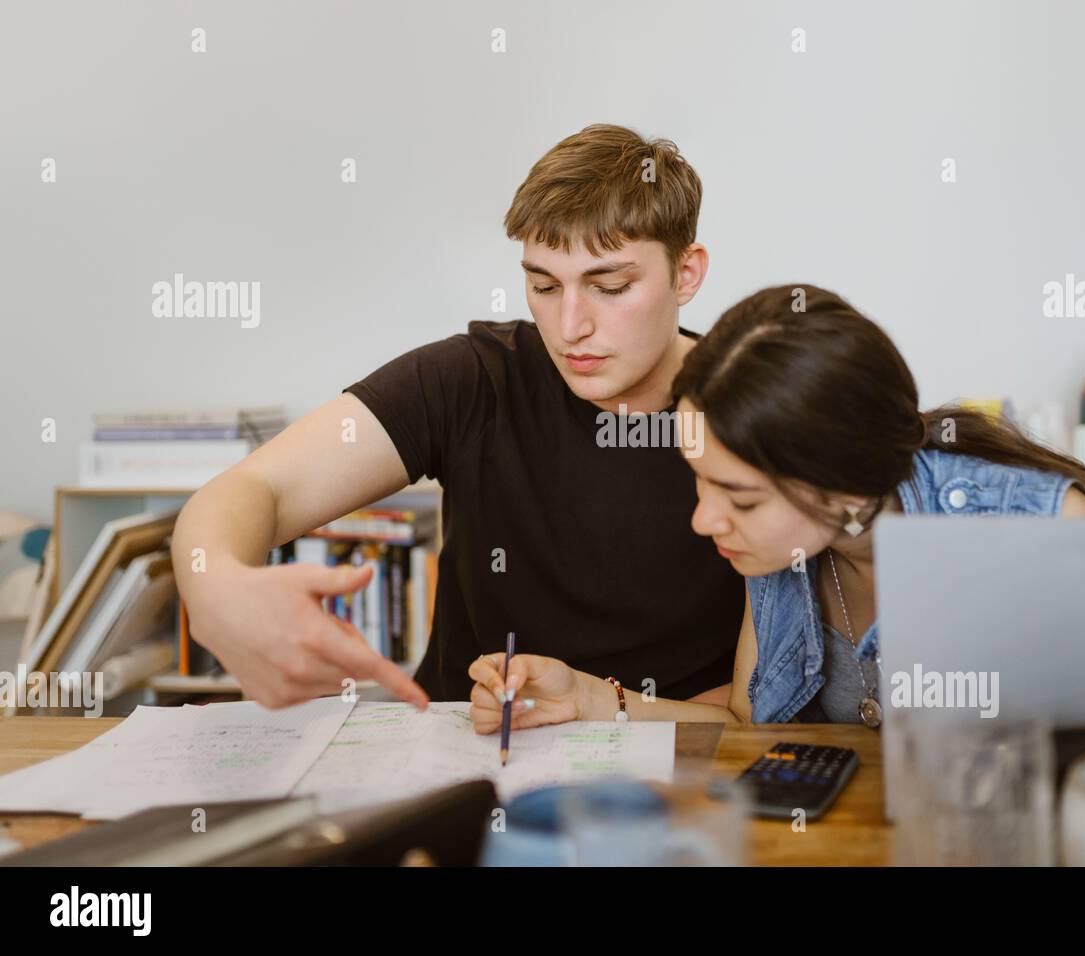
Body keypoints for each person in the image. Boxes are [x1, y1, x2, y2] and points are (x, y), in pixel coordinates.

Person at [170, 124, 745, 709]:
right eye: (544, 285)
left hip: (677, 774)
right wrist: (220, 590)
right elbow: (257, 486)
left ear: (687, 273)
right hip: (462, 757)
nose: (571, 327)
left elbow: (757, 710)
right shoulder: (472, 379)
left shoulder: (754, 413)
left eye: (611, 286)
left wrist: (607, 706)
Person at [466, 284, 1085, 730]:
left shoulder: (1042, 530)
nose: (703, 520)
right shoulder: (788, 551)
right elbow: (746, 725)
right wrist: (587, 698)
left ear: (845, 483)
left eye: (741, 497)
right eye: (700, 479)